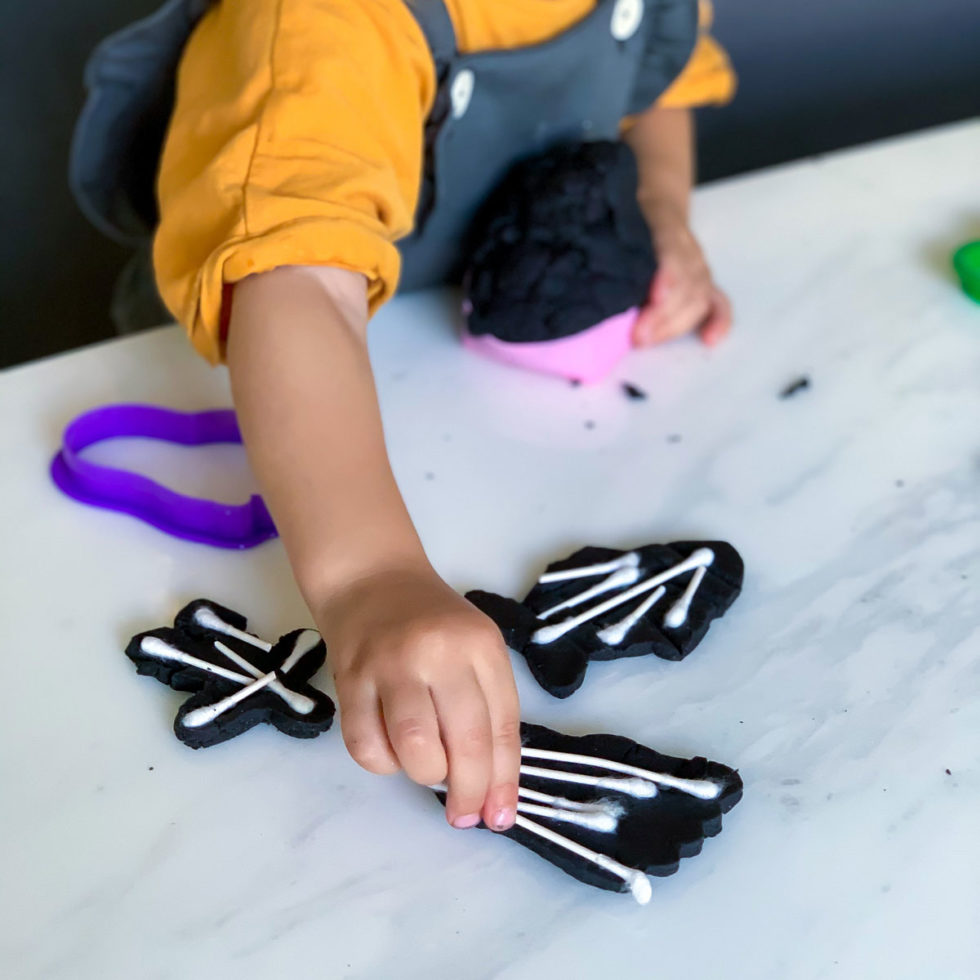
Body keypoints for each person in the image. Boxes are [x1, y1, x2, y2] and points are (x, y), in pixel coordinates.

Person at [74, 0, 735, 834]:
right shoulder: (320, 21)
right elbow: (296, 283)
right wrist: (370, 577)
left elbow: (655, 80)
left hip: (472, 402)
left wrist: (661, 207)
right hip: (296, 400)